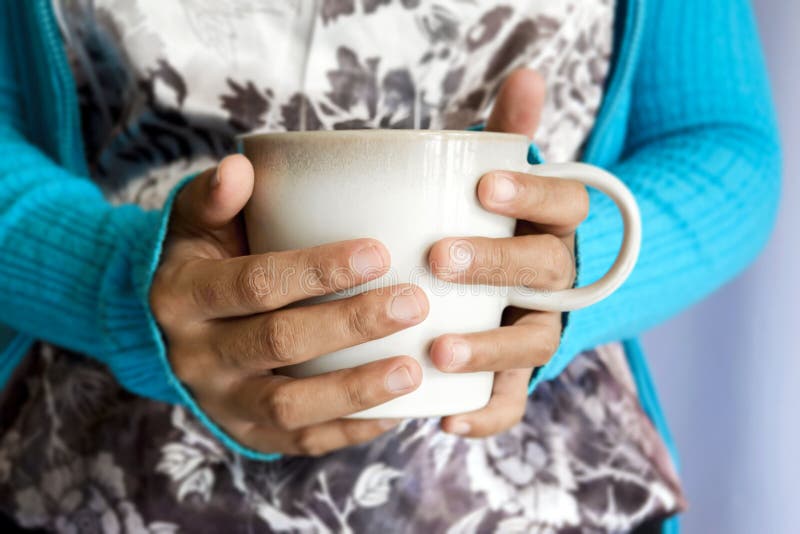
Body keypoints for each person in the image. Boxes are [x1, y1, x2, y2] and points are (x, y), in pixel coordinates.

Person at [0, 0, 779, 532]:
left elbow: (723, 140)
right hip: (97, 483)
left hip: (548, 495)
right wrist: (117, 279)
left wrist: (561, 269)